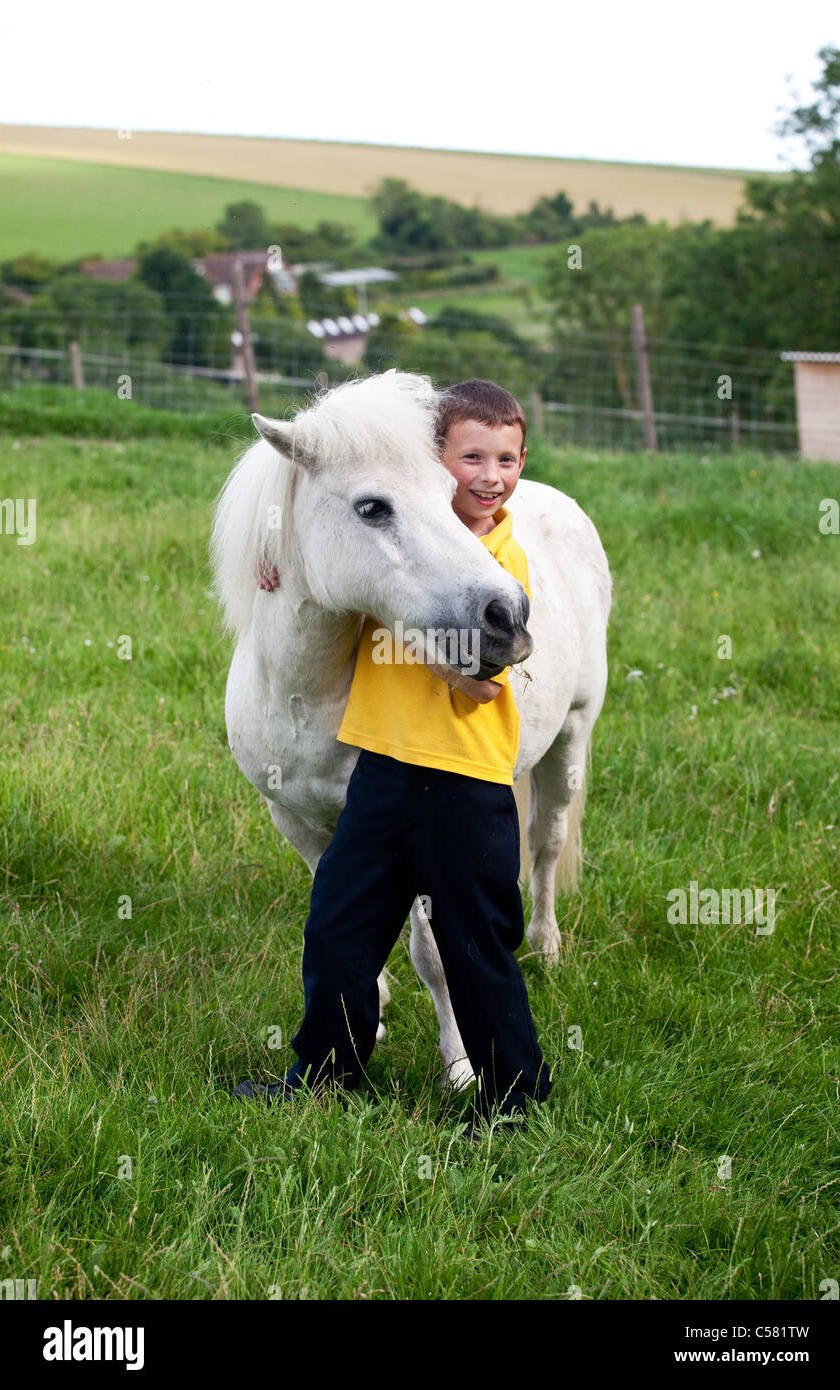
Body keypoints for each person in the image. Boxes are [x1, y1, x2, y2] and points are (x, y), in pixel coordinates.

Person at [236, 380, 552, 1139]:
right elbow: (344, 548)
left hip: (463, 777)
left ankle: (513, 1099)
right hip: (380, 767)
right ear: (439, 464)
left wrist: (422, 630)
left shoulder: (492, 563)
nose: (489, 475)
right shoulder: (423, 524)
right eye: (471, 458)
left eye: (506, 459)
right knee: (339, 933)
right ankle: (322, 1074)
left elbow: (481, 682)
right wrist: (281, 557)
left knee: (473, 943)